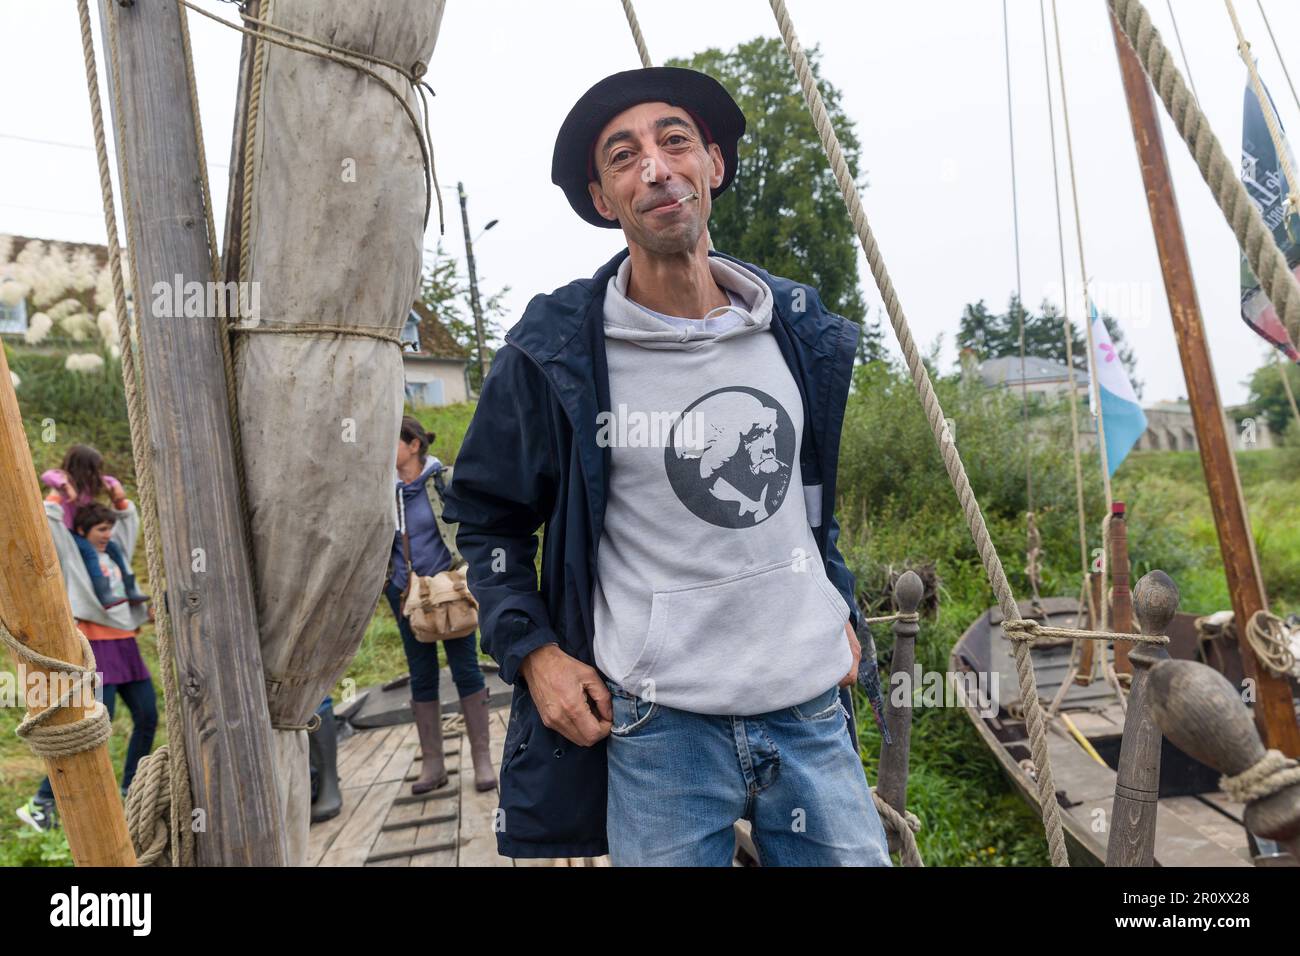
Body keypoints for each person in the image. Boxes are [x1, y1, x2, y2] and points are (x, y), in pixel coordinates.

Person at [441, 67, 891, 865]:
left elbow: (805, 504)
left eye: (674, 141)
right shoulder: (557, 352)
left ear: (712, 165)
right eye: (624, 156)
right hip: (659, 730)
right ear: (603, 197)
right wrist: (534, 653)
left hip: (813, 714)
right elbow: (487, 516)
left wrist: (838, 604)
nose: (655, 167)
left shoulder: (796, 333)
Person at [17, 489, 157, 833]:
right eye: (100, 530)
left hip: (126, 644)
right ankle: (42, 802)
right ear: (82, 533)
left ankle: (131, 788)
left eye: (110, 528)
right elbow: (53, 522)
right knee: (92, 728)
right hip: (97, 648)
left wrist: (120, 497)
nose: (107, 535)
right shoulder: (77, 560)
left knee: (148, 715)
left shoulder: (116, 556)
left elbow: (129, 524)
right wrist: (58, 490)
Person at [386, 416, 495, 795]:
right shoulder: (384, 491)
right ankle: (433, 764)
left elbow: (475, 524)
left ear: (413, 445)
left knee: (465, 668)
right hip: (407, 595)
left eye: (393, 441)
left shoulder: (443, 481)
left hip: (450, 594)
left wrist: (468, 571)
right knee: (421, 674)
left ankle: (482, 758)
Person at [41, 444, 147, 607]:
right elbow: (48, 476)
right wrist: (65, 486)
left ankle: (131, 588)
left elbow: (110, 481)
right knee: (90, 553)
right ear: (81, 466)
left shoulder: (91, 482)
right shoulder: (64, 478)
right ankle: (103, 593)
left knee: (115, 549)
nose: (96, 473)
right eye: (92, 468)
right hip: (68, 532)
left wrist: (116, 487)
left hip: (83, 528)